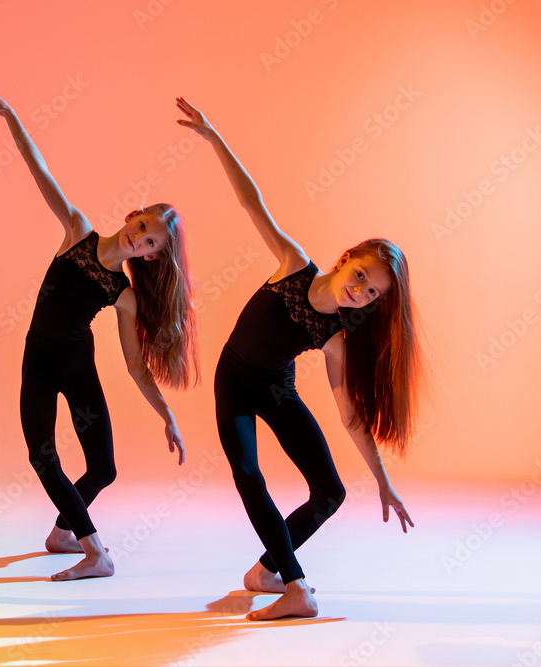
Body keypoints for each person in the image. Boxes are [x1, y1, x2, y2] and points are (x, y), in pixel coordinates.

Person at [176, 97, 423, 621]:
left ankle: (267, 569)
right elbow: (251, 201)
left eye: (373, 293)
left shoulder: (336, 335)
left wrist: (382, 479)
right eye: (361, 276)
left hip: (275, 388)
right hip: (234, 382)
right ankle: (296, 587)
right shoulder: (293, 265)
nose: (361, 292)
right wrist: (214, 136)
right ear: (344, 260)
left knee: (330, 492)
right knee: (249, 473)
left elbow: (349, 413)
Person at [0, 80, 199, 581]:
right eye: (143, 226)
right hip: (39, 358)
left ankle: (62, 532)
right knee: (42, 456)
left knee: (105, 468)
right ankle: (97, 552)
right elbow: (40, 170)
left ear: (152, 257)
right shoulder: (77, 231)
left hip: (77, 362)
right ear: (133, 215)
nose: (139, 238)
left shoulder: (124, 293)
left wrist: (166, 415)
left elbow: (136, 367)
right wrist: (9, 113)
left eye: (150, 243)